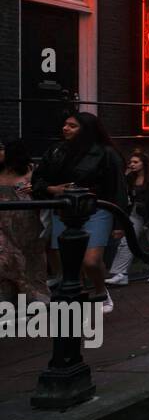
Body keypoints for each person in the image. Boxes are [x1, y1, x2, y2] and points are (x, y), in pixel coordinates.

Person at [33, 112, 127, 311]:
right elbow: (38, 179)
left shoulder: (106, 153)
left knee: (91, 261)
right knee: (67, 262)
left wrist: (120, 222)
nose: (65, 128)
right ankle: (78, 297)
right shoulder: (56, 150)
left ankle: (101, 292)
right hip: (64, 210)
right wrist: (53, 189)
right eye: (65, 124)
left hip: (96, 209)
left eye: (72, 126)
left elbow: (119, 187)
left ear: (86, 130)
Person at [107, 150, 149, 285]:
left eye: (136, 162)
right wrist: (124, 177)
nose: (132, 164)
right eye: (131, 162)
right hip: (137, 213)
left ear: (144, 164)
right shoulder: (130, 177)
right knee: (127, 241)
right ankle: (121, 274)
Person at [0, 138, 48, 304]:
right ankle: (7, 294)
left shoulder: (32, 170)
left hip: (26, 221)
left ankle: (32, 295)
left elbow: (45, 191)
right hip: (2, 222)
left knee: (28, 256)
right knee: (4, 257)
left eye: (4, 150)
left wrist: (37, 188)